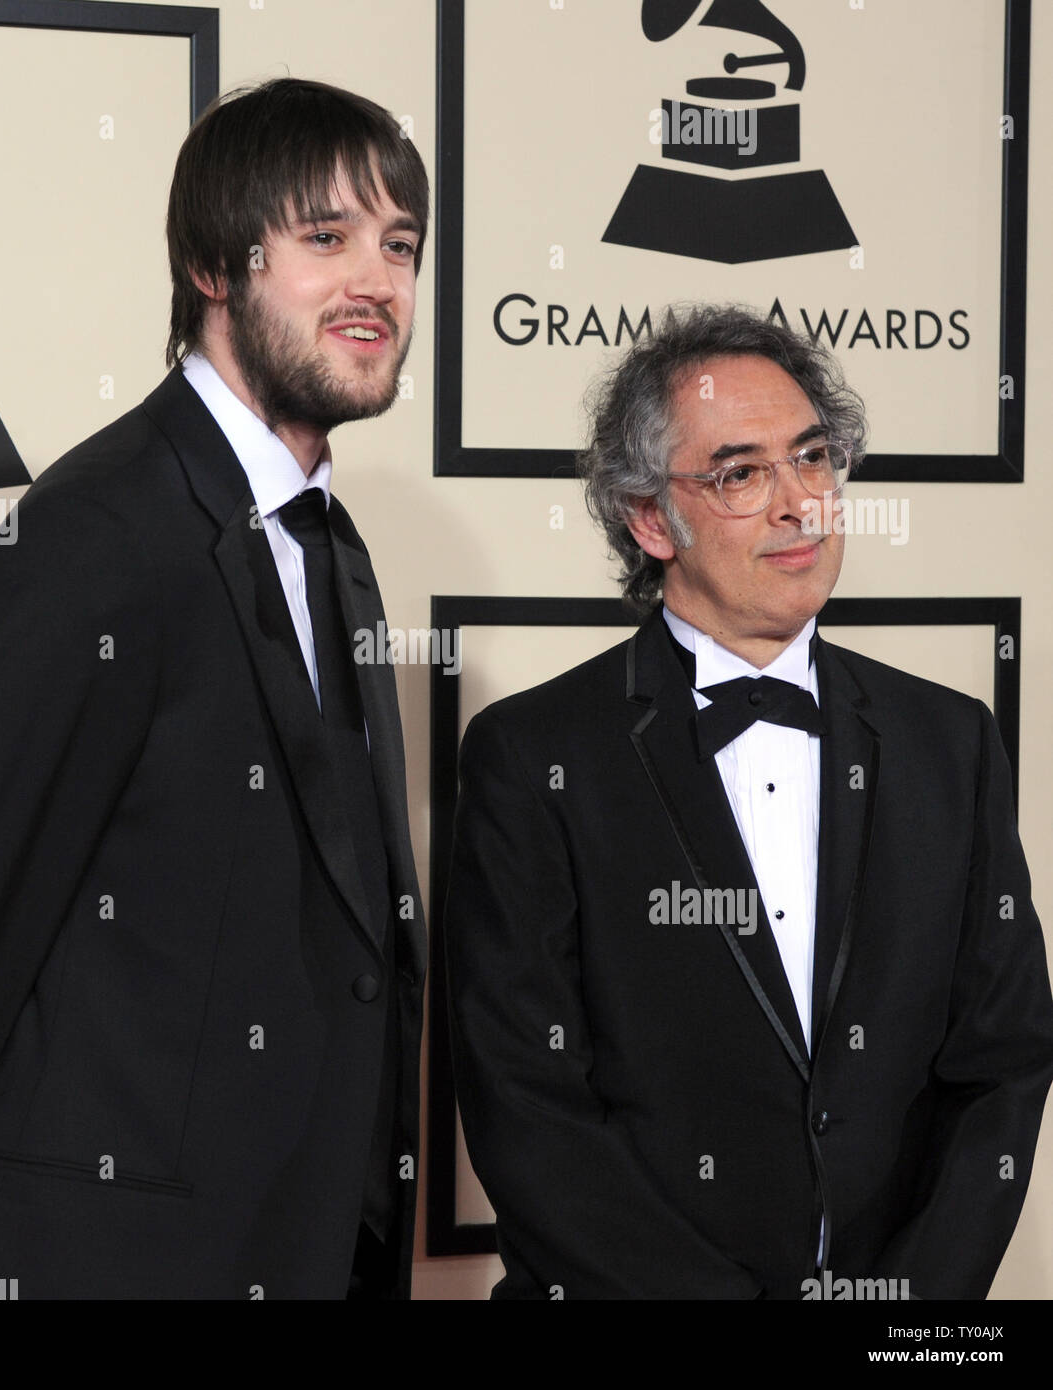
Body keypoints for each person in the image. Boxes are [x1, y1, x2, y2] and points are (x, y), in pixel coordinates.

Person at [0, 77, 429, 1301]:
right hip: (112, 1255)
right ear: (210, 268)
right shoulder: (98, 533)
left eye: (400, 246)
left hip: (301, 1240)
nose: (378, 285)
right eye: (326, 238)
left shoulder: (332, 549)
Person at [444, 303, 1053, 1300]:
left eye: (813, 460)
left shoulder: (951, 743)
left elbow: (1002, 1064)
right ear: (650, 518)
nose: (799, 504)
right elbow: (529, 1106)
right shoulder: (535, 756)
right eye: (740, 473)